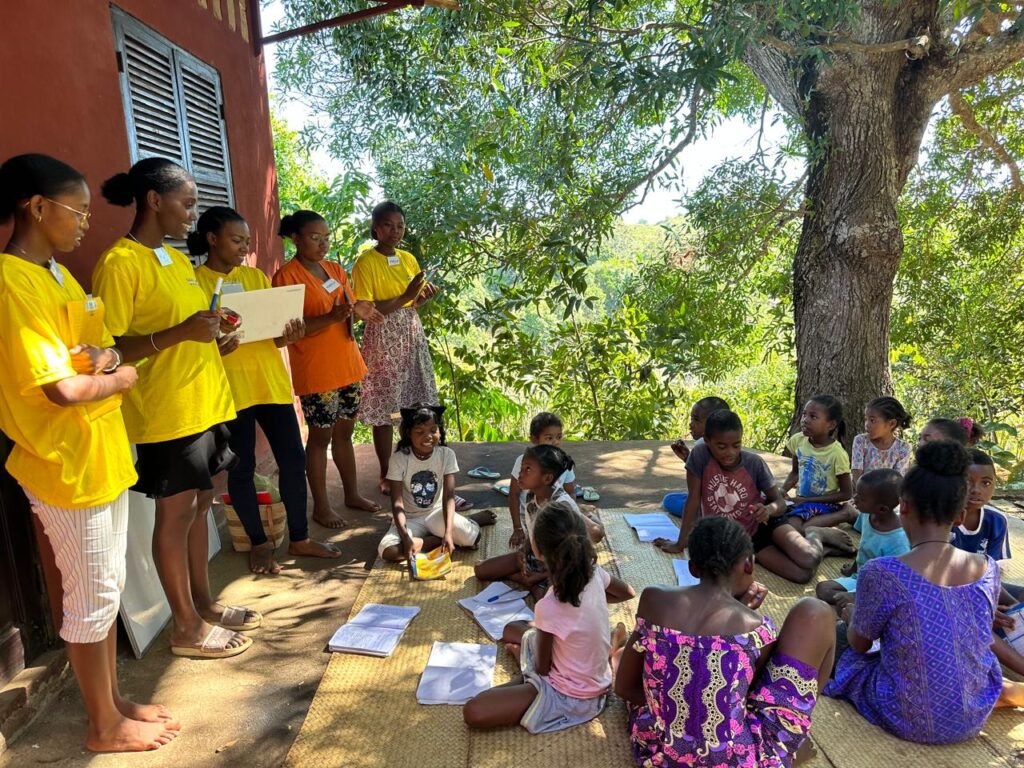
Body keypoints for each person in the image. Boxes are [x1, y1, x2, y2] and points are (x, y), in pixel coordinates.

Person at [0, 154, 179, 752]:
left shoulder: (56, 275)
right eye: (76, 211)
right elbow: (63, 387)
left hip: (98, 454)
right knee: (90, 597)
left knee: (106, 585)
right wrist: (119, 377)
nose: (84, 223)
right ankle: (102, 725)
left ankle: (114, 702)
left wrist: (104, 360)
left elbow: (96, 348)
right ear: (37, 207)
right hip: (63, 466)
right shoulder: (11, 283)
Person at [94, 157, 253, 658]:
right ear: (154, 201)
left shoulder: (175, 259)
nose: (192, 214)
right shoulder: (120, 263)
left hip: (204, 401)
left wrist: (214, 340)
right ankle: (185, 628)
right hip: (165, 410)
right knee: (176, 513)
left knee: (201, 506)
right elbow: (112, 344)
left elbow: (188, 328)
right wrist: (179, 334)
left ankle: (203, 605)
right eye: (186, 204)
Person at [825, 440, 1024, 744]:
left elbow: (861, 644)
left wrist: (850, 613)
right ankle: (1006, 691)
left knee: (839, 637)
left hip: (903, 715)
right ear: (959, 515)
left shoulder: (881, 572)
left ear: (902, 506)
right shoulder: (988, 569)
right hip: (973, 714)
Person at [190, 206, 341, 574]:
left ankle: (300, 538)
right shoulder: (193, 282)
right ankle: (259, 544)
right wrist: (212, 346)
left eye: (247, 240)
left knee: (293, 461)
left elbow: (274, 335)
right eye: (236, 240)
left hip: (271, 385)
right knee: (242, 470)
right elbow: (192, 342)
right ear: (212, 239)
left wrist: (288, 333)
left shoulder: (255, 276)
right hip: (233, 391)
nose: (244, 247)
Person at [618, 516, 836, 767]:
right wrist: (744, 611)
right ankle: (794, 737)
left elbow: (625, 688)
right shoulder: (757, 630)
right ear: (749, 564)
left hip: (661, 755)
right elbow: (748, 693)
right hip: (738, 761)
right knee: (815, 611)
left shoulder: (652, 599)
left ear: (692, 569)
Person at [463, 501, 635, 732]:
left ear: (539, 551)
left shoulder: (550, 606)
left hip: (572, 695)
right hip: (587, 668)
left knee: (475, 710)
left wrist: (521, 678)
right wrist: (592, 606)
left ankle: (607, 648)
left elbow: (543, 669)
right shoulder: (594, 573)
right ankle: (608, 646)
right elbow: (628, 593)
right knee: (511, 628)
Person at [272, 209, 383, 528]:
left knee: (345, 433)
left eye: (327, 238)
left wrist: (358, 310)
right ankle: (321, 506)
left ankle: (351, 494)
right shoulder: (286, 277)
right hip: (317, 370)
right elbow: (283, 330)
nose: (323, 244)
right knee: (320, 439)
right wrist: (330, 319)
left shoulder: (334, 269)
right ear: (295, 238)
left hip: (348, 364)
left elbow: (347, 311)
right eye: (315, 237)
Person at [655, 409, 851, 583]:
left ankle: (816, 534)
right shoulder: (699, 456)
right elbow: (693, 500)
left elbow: (780, 503)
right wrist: (681, 544)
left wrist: (767, 510)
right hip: (745, 539)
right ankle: (825, 550)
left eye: (736, 445)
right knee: (801, 575)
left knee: (808, 558)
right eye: (721, 446)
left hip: (766, 524)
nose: (730, 452)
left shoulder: (753, 464)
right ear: (706, 441)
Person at [351, 202, 440, 495]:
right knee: (385, 407)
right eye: (388, 225)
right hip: (383, 335)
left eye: (400, 225)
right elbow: (369, 310)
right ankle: (386, 472)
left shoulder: (408, 259)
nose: (395, 231)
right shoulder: (365, 263)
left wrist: (421, 298)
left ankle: (415, 464)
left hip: (410, 333)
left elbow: (412, 302)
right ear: (376, 228)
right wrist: (405, 296)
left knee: (416, 402)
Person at [475, 444, 603, 600]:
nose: (520, 474)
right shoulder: (531, 496)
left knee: (549, 600)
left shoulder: (562, 506)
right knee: (480, 570)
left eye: (528, 469)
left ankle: (536, 581)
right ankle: (529, 580)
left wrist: (542, 574)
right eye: (521, 468)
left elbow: (573, 557)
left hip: (561, 565)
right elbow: (533, 531)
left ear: (547, 478)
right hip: (537, 556)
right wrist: (524, 551)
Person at [378, 405, 495, 562]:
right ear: (408, 434)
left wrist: (448, 532)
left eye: (433, 430)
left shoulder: (446, 455)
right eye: (420, 432)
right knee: (389, 552)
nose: (428, 436)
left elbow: (449, 497)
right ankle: (435, 540)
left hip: (437, 514)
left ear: (440, 431)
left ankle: (466, 524)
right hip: (410, 519)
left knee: (473, 538)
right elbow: (397, 504)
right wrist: (405, 537)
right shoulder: (399, 459)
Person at [815, 469, 909, 607]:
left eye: (861, 498)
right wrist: (854, 569)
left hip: (879, 588)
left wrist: (854, 596)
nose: (855, 498)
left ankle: (858, 603)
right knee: (823, 589)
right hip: (860, 578)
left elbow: (896, 584)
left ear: (882, 509)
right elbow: (864, 546)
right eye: (856, 493)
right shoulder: (867, 515)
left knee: (846, 607)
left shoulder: (899, 542)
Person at [782, 395, 853, 530]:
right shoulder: (798, 441)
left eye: (813, 417)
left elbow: (846, 493)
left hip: (827, 505)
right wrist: (782, 491)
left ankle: (845, 514)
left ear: (831, 425)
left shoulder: (837, 454)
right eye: (804, 415)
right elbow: (795, 472)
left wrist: (807, 501)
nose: (805, 420)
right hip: (802, 502)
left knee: (795, 528)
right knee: (780, 520)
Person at [508, 412, 576, 531]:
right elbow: (514, 494)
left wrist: (570, 515)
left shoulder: (563, 462)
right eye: (549, 438)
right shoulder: (523, 461)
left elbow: (570, 493)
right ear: (534, 439)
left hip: (553, 515)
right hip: (528, 516)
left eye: (559, 437)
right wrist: (517, 528)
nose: (556, 442)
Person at [950, 449, 1010, 562]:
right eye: (967, 481)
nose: (976, 490)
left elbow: (994, 565)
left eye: (986, 483)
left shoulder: (997, 521)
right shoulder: (940, 517)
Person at [850, 396, 912, 484]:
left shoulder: (903, 448)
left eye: (872, 420)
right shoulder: (861, 441)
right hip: (862, 493)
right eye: (866, 419)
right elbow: (856, 473)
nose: (867, 424)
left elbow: (898, 480)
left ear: (891, 423)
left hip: (888, 495)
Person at [669, 396, 730, 463]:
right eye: (692, 419)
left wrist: (689, 459)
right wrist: (687, 458)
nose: (691, 424)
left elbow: (706, 472)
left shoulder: (707, 447)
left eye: (696, 420)